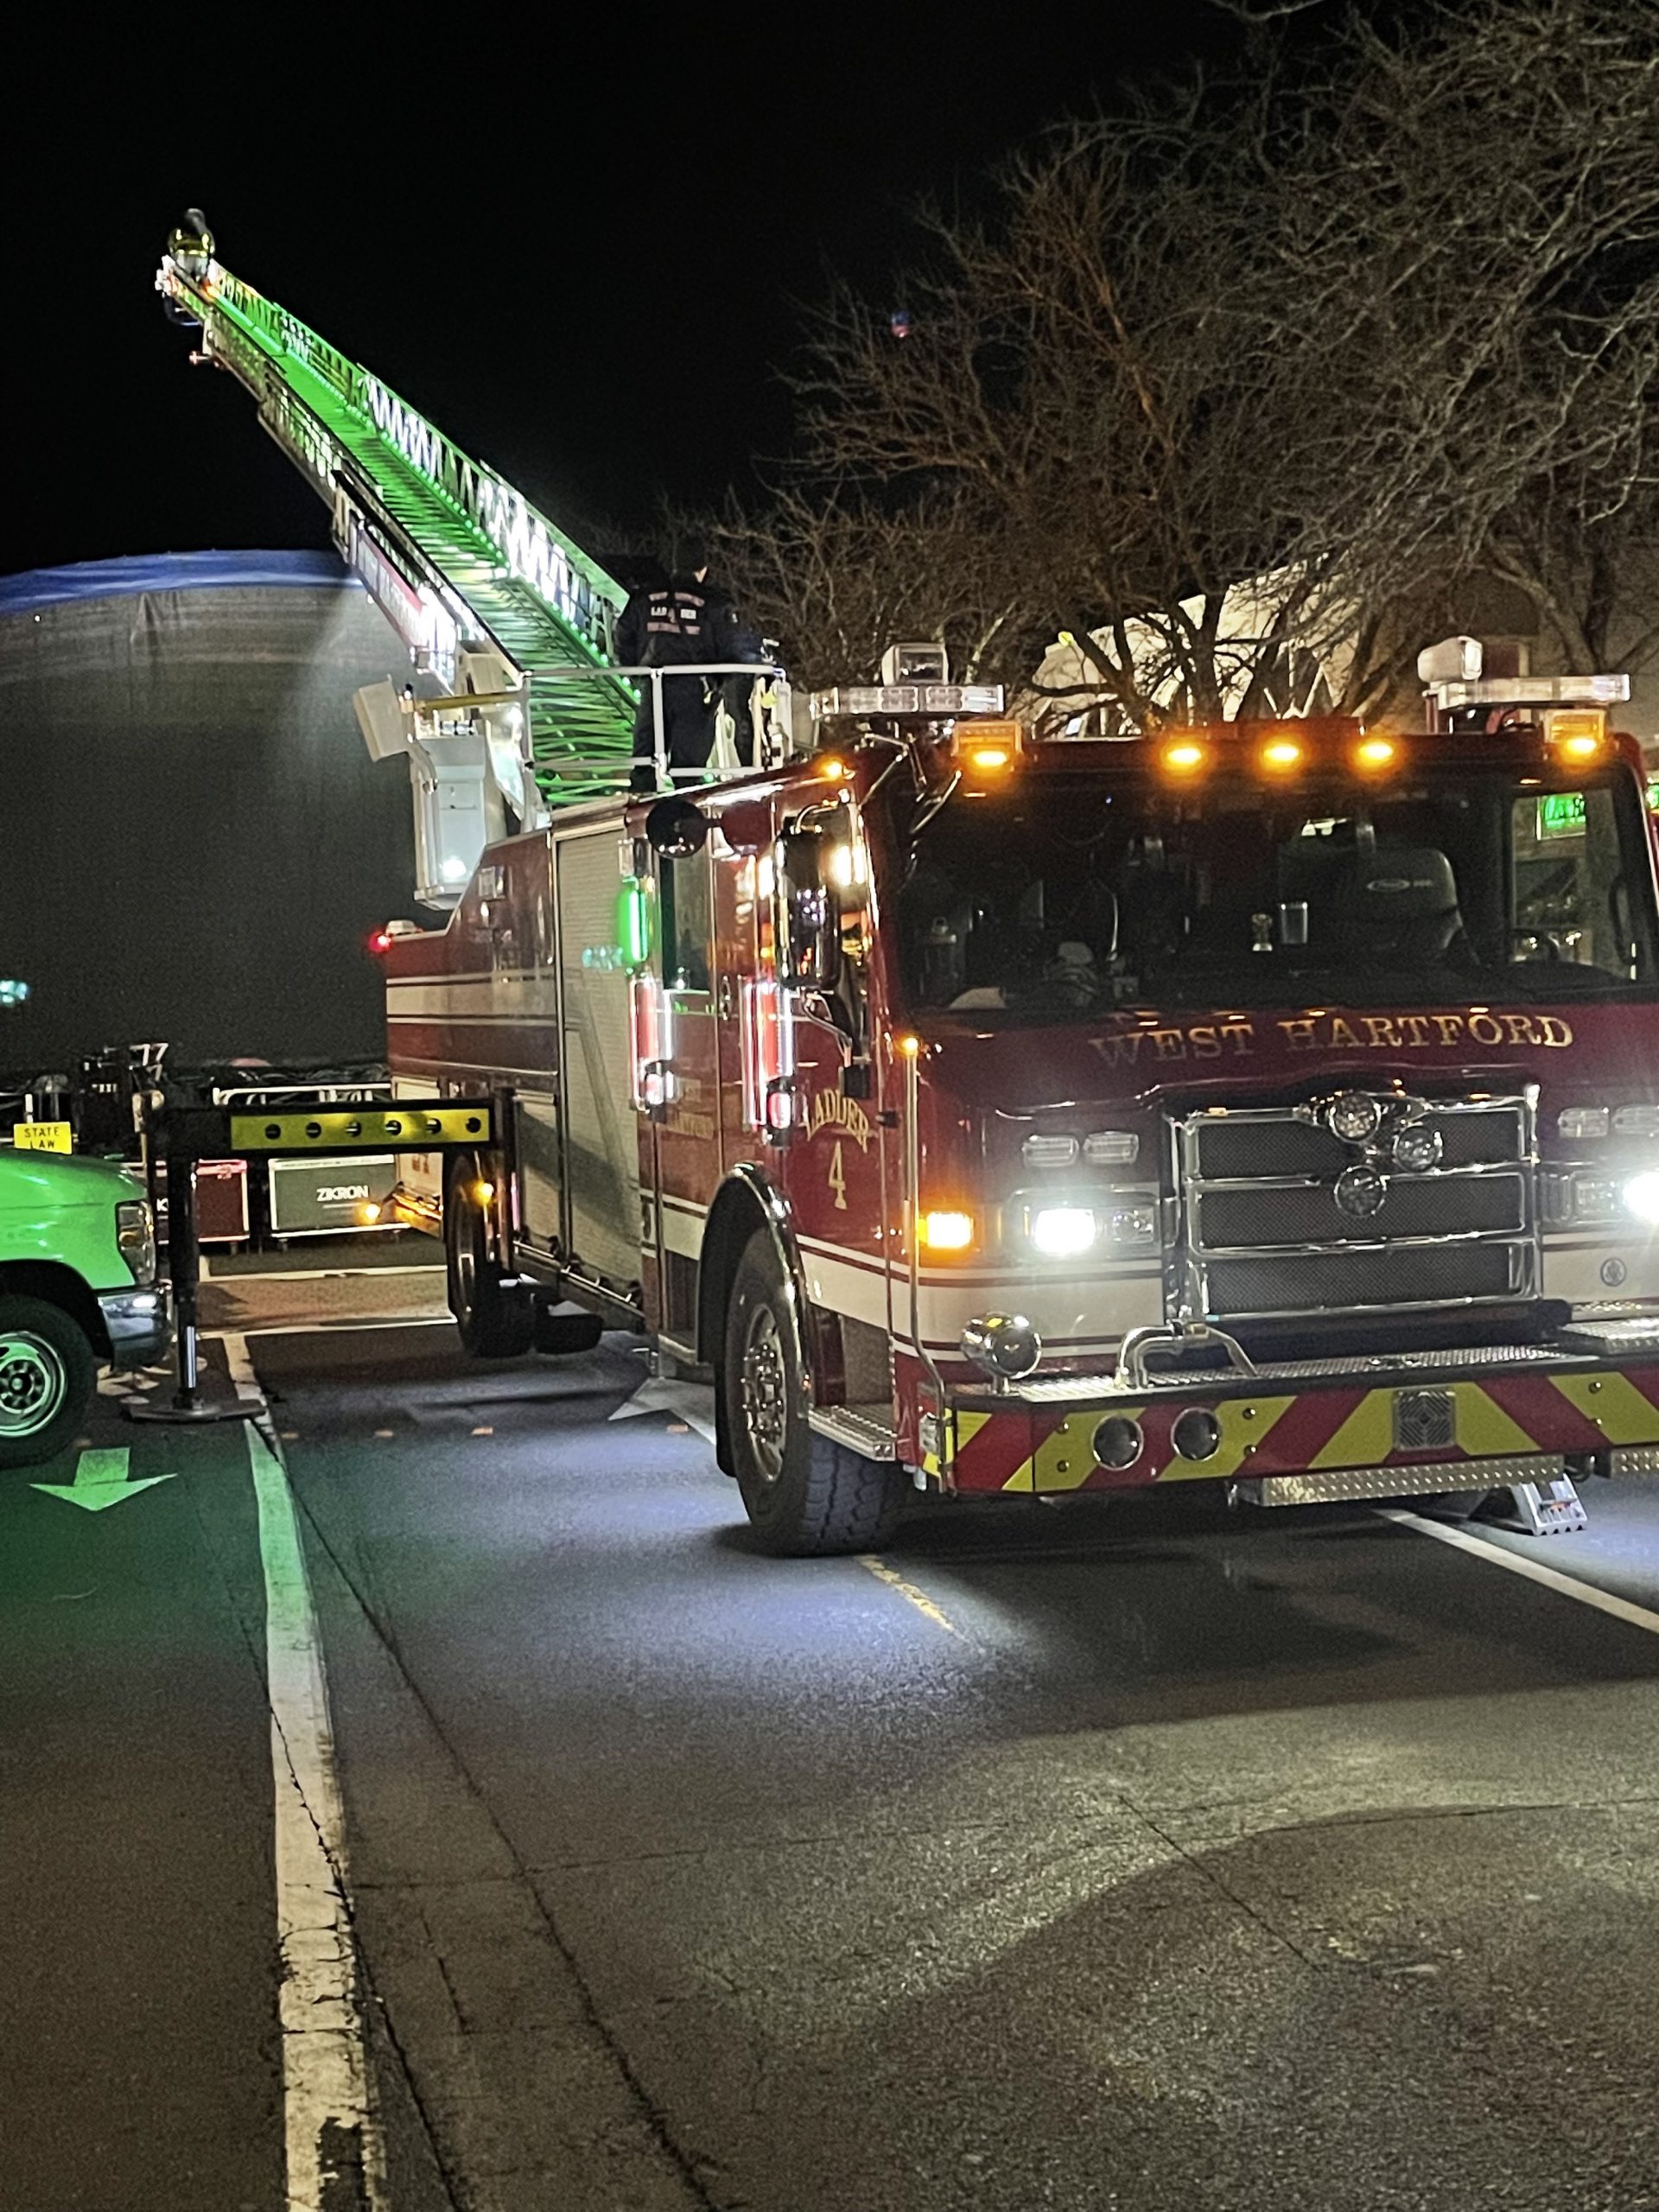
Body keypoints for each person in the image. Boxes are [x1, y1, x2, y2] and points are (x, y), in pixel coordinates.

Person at [613, 543, 739, 791]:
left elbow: (623, 633)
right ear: (703, 569)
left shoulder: (646, 596)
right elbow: (731, 647)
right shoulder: (713, 603)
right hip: (692, 687)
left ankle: (642, 799)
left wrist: (634, 670)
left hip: (653, 682)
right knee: (687, 766)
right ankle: (684, 813)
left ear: (675, 565)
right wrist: (720, 682)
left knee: (644, 754)